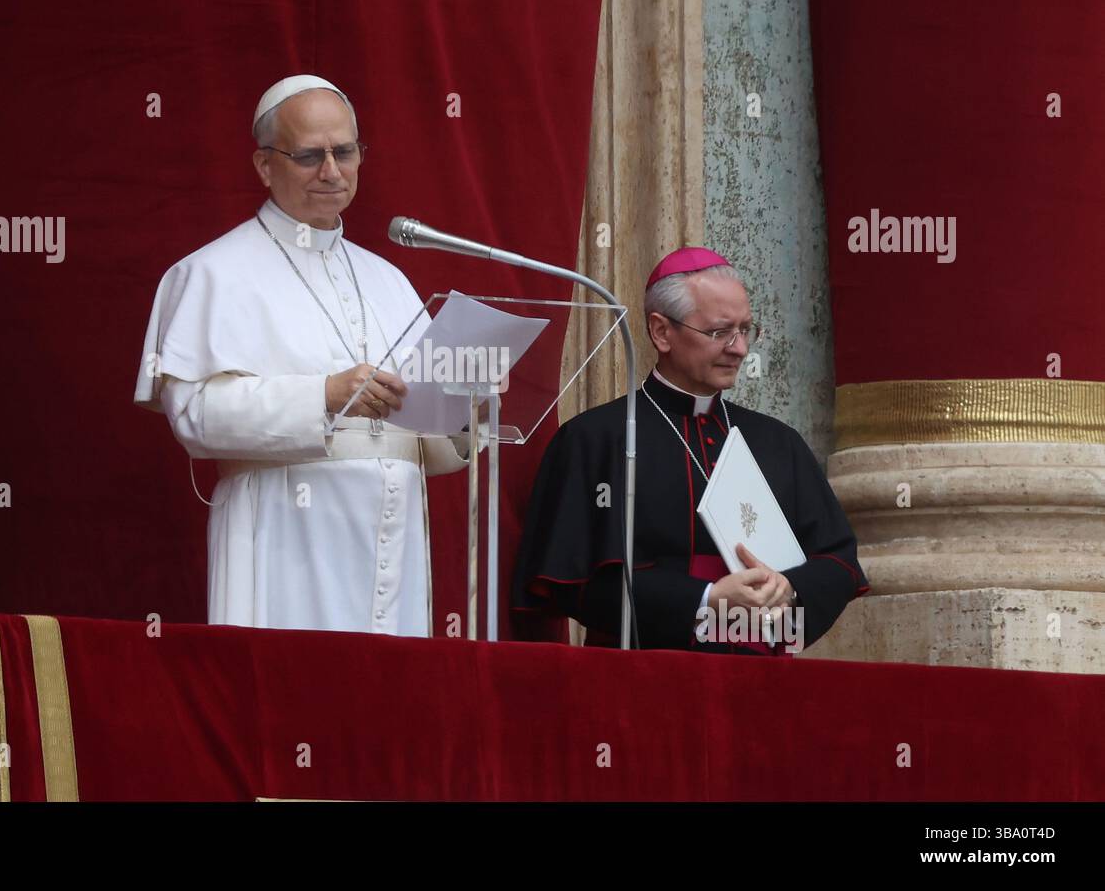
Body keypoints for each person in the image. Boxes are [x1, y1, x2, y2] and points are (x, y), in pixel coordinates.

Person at [134, 74, 469, 635]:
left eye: (345, 152)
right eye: (310, 155)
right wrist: (326, 395)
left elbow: (430, 436)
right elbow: (195, 417)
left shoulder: (388, 278)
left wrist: (463, 407)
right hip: (284, 533)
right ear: (265, 165)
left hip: (398, 540)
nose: (332, 171)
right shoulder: (211, 273)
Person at [511, 246, 869, 653]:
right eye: (720, 332)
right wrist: (706, 600)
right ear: (662, 331)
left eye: (746, 330)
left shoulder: (778, 443)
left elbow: (839, 561)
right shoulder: (595, 439)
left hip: (762, 680)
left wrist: (788, 589)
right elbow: (568, 584)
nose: (739, 348)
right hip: (639, 682)